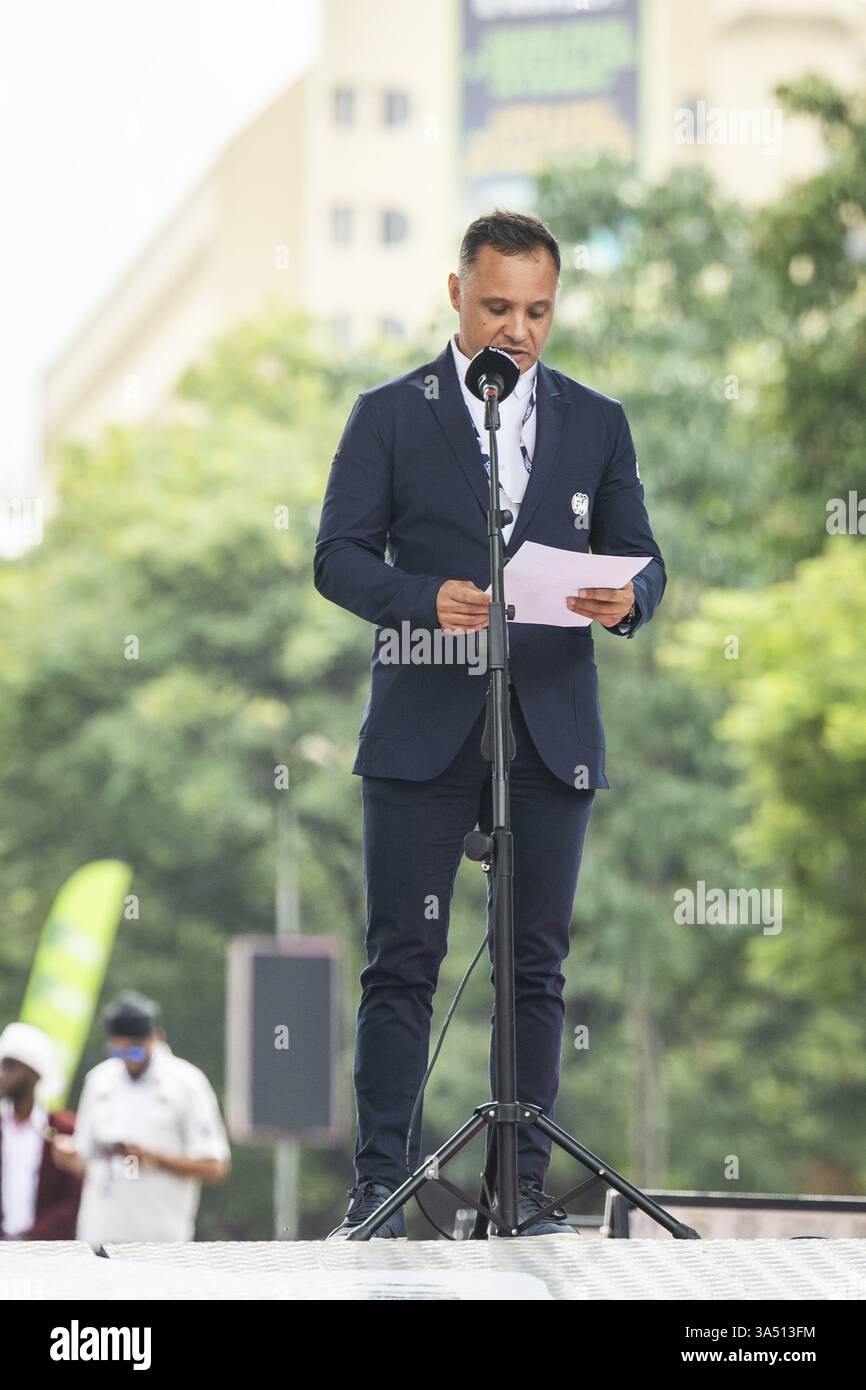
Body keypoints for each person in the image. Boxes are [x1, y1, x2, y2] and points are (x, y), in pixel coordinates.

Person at [314, 210, 667, 1239]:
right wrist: (423, 598)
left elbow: (640, 555)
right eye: (497, 306)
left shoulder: (597, 420)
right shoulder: (387, 413)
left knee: (534, 967)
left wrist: (626, 596)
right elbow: (336, 556)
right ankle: (379, 1187)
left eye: (537, 310)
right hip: (421, 729)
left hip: (548, 732)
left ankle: (517, 1193)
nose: (518, 328)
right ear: (455, 296)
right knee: (401, 960)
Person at [53, 990, 231, 1248]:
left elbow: (215, 1166)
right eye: (118, 1051)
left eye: (134, 1052)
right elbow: (86, 1160)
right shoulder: (99, 1080)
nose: (126, 1060)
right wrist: (69, 1156)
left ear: (155, 1038)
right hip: (98, 1235)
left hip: (158, 1241)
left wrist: (151, 1159)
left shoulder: (186, 1084)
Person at [0, 1021, 82, 1239]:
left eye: (9, 1066)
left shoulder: (65, 1130)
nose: (2, 1073)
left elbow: (74, 1200)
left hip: (48, 1256)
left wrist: (30, 1239)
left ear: (34, 1073)